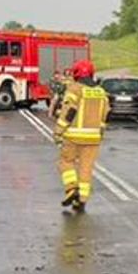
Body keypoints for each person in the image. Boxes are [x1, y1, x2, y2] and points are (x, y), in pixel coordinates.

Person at [53, 60, 109, 211]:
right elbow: (105, 116)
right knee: (86, 167)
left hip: (73, 136)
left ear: (76, 74)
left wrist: (58, 131)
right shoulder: (101, 92)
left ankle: (71, 189)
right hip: (93, 138)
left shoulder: (75, 89)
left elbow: (69, 112)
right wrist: (100, 133)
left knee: (66, 162)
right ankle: (81, 200)